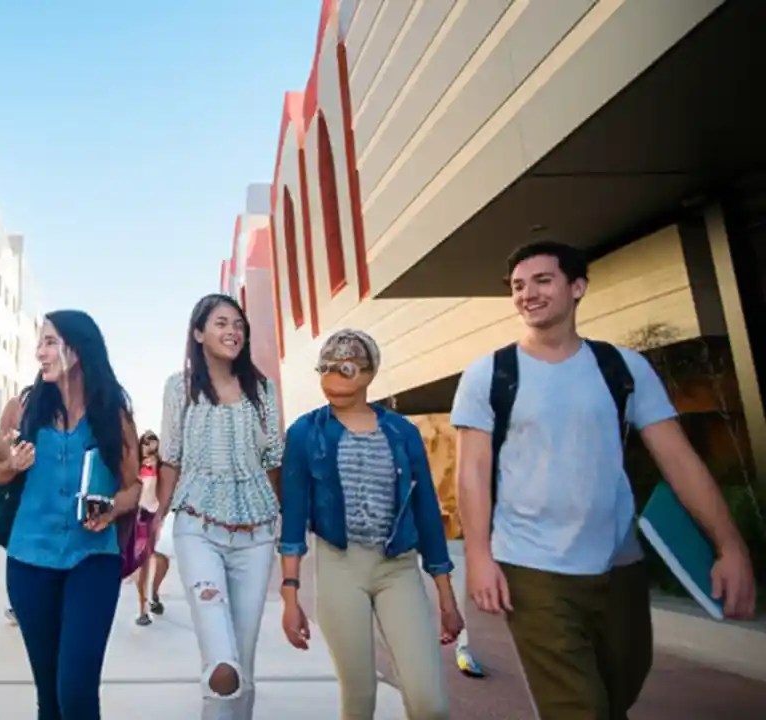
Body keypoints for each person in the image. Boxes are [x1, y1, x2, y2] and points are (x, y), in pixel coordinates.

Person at [452, 240, 757, 719]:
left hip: (619, 564)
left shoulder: (622, 368)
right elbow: (471, 472)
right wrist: (478, 556)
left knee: (620, 690)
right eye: (517, 286)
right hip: (532, 567)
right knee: (578, 709)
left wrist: (730, 546)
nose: (527, 293)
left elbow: (679, 459)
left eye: (542, 280)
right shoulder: (490, 374)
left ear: (578, 287)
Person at [279, 329, 457, 720]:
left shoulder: (402, 432)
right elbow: (292, 520)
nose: (333, 379)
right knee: (359, 697)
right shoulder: (305, 433)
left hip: (398, 568)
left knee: (431, 703)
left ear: (369, 372)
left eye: (345, 368)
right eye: (324, 369)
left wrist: (446, 594)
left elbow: (427, 511)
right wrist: (290, 596)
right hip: (341, 567)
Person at [0, 310, 140, 720]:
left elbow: (134, 488)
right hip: (29, 560)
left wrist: (111, 508)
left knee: (76, 691)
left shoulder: (114, 416)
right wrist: (14, 466)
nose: (40, 352)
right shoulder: (21, 409)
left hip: (92, 560)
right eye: (40, 342)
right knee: (50, 696)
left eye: (50, 342)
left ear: (78, 348)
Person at [155, 293, 283, 720]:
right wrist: (158, 516)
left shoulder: (262, 388)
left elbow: (274, 462)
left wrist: (291, 531)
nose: (233, 332)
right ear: (198, 333)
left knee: (242, 661)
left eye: (239, 325)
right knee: (222, 666)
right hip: (198, 527)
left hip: (256, 534)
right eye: (221, 323)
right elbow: (170, 455)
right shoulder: (180, 387)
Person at [134, 429, 162, 626]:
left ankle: (154, 591)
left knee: (161, 558)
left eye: (153, 442)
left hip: (157, 515)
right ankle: (142, 608)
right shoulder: (134, 467)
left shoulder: (161, 467)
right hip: (140, 516)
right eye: (145, 442)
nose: (149, 446)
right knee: (142, 561)